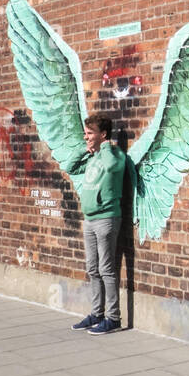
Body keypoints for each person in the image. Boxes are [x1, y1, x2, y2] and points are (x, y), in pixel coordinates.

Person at [67, 114, 126, 335]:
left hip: (107, 218)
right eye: (86, 133)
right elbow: (70, 167)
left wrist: (107, 147)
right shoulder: (92, 157)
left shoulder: (115, 156)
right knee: (92, 268)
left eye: (90, 133)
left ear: (103, 135)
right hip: (90, 220)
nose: (86, 137)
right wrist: (86, 151)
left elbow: (111, 167)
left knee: (107, 268)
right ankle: (96, 313)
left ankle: (113, 317)